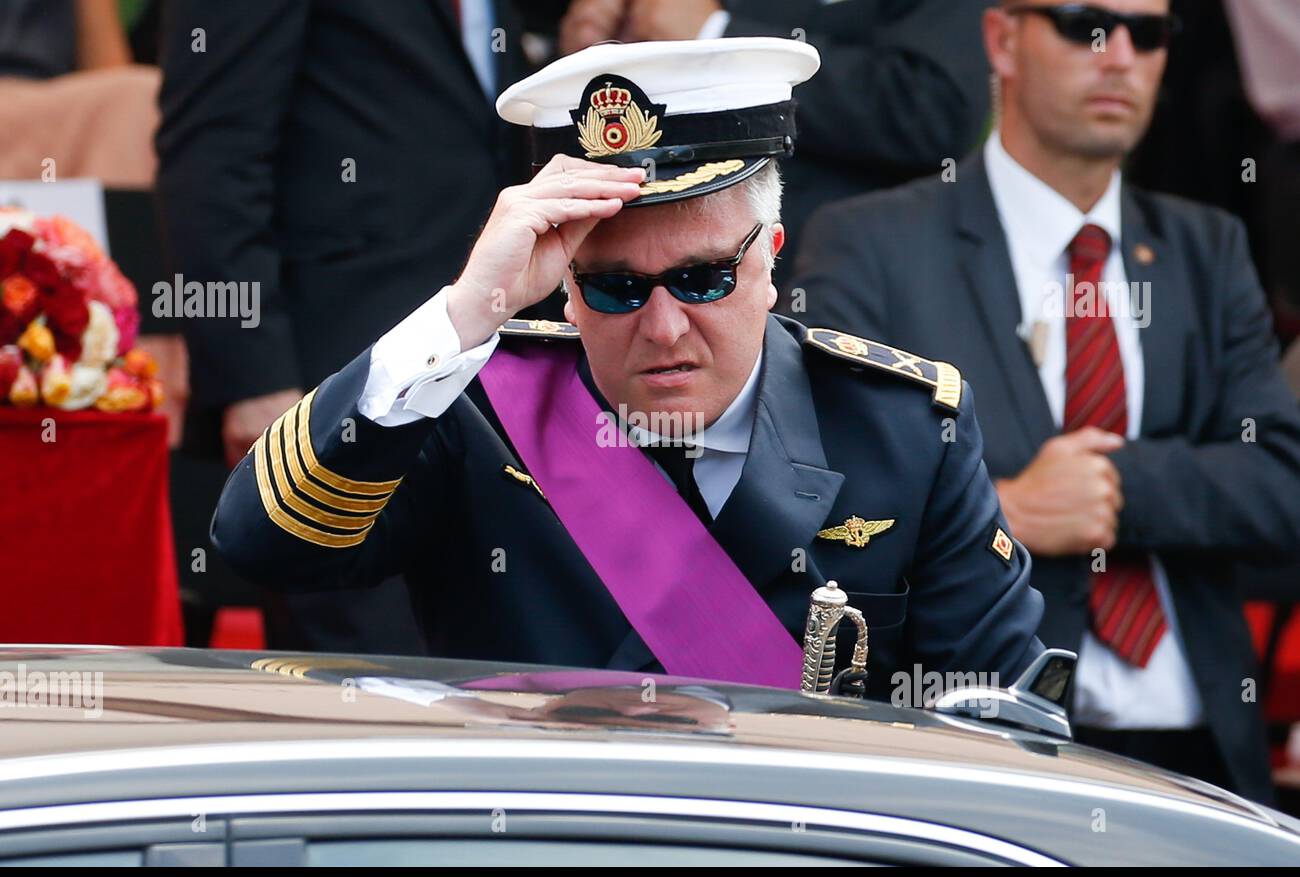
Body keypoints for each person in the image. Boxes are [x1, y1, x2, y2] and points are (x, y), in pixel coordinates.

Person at [209, 38, 1045, 695]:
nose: (664, 324)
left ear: (771, 264)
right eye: (616, 288)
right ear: (562, 291)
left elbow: (997, 721)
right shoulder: (475, 415)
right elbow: (261, 542)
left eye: (703, 277)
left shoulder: (903, 429)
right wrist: (469, 309)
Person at [787, 0, 1300, 801]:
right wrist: (1006, 513)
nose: (1120, 53)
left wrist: (1116, 492)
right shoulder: (871, 242)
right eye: (1084, 23)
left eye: (1150, 32)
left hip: (1204, 760)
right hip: (985, 754)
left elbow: (1282, 482)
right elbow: (814, 493)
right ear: (1002, 38)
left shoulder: (1208, 247)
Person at [155, 0, 532, 654]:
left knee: (489, 673)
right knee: (368, 683)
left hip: (490, 388)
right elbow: (212, 159)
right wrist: (256, 378)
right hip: (337, 389)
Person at [557, 0, 995, 288]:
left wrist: (716, 34)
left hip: (848, 280)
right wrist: (599, 53)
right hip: (643, 259)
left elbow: (932, 108)